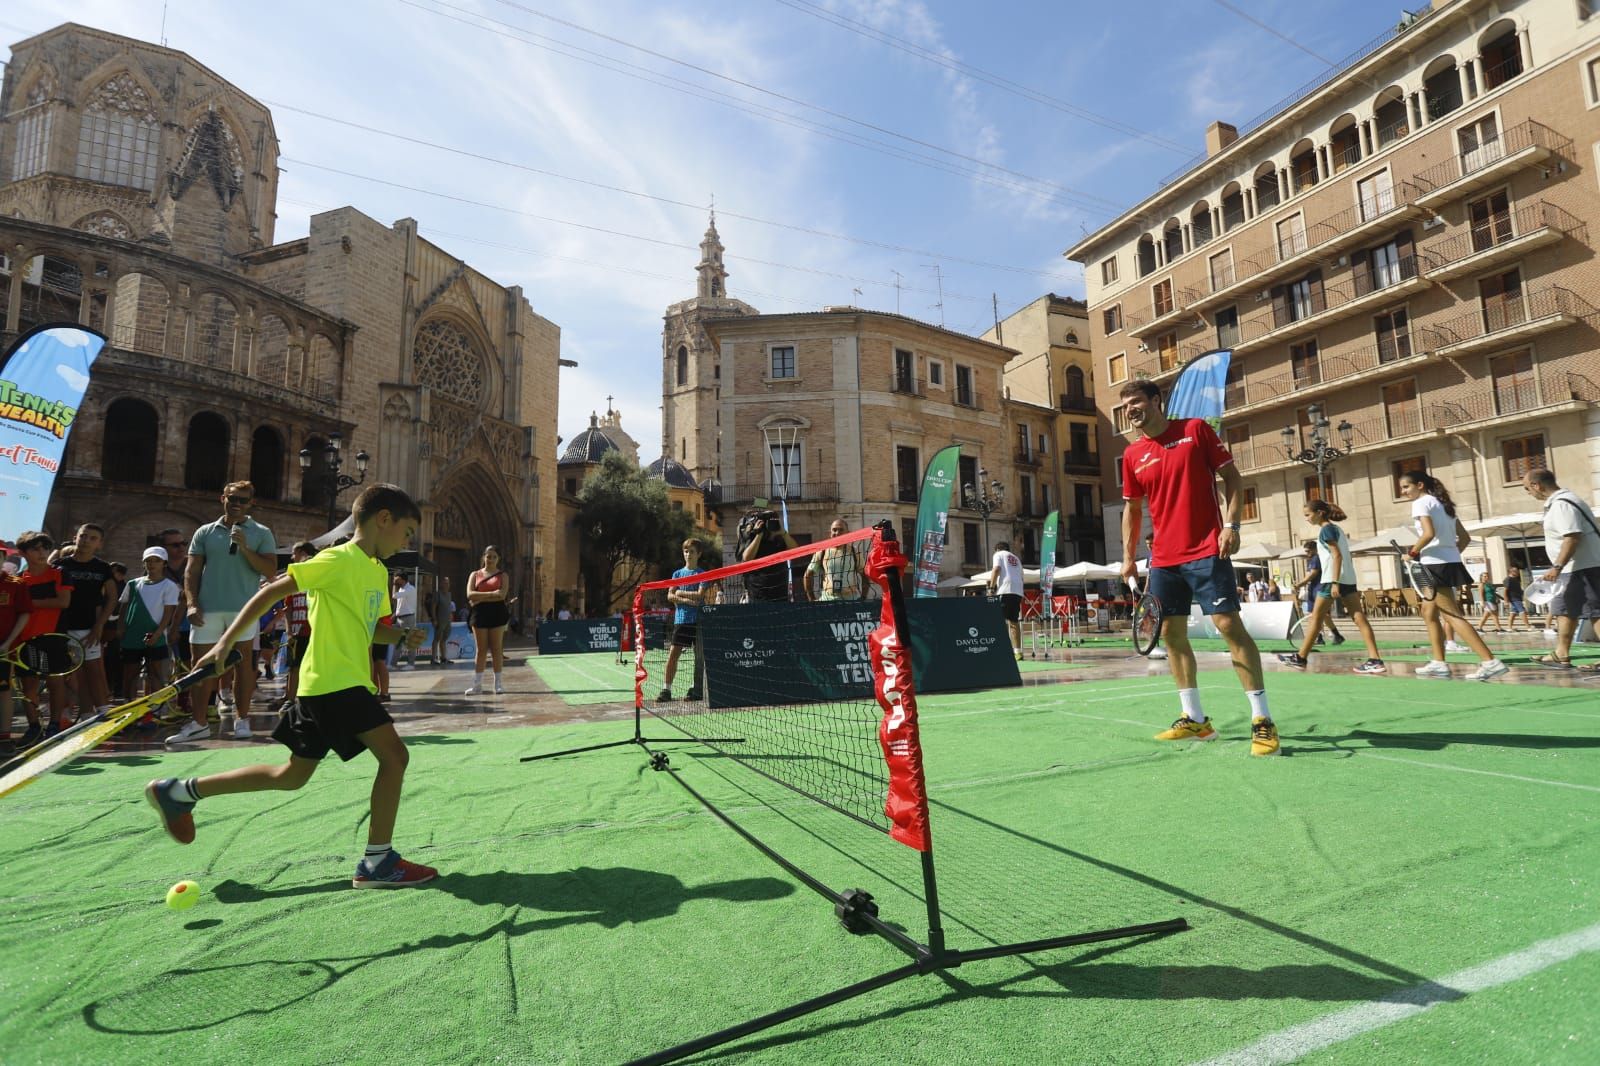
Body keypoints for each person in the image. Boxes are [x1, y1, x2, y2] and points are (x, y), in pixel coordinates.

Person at [144, 483, 436, 888]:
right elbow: (269, 593)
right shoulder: (336, 560)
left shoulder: (376, 571)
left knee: (291, 776)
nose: (407, 541)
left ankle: (180, 792)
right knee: (395, 757)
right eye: (406, 531)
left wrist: (401, 637)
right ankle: (377, 863)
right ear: (383, 519)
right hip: (336, 684)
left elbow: (372, 630)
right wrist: (226, 645)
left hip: (330, 686)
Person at [1116, 380, 1278, 756]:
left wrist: (1232, 525)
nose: (1131, 410)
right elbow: (1132, 509)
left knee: (1228, 626)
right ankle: (1195, 720)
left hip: (1207, 548)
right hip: (1164, 559)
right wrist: (1127, 557)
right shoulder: (1133, 454)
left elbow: (1234, 480)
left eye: (1136, 401)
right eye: (1125, 405)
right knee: (1172, 636)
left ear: (1156, 401)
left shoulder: (1194, 430)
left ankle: (1262, 720)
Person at [172, 483, 278, 746]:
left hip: (244, 610)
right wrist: (192, 603)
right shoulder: (204, 532)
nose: (237, 503)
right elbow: (191, 572)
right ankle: (199, 723)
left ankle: (242, 719)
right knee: (201, 667)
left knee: (243, 666)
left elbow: (269, 571)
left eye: (243, 500)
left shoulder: (262, 533)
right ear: (223, 499)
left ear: (251, 503)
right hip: (207, 609)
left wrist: (244, 548)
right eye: (232, 498)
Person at [1399, 471, 1506, 680]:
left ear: (1420, 485)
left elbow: (1428, 534)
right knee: (1429, 613)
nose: (1403, 492)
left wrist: (1411, 553)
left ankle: (1490, 661)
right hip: (1449, 562)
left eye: (1406, 487)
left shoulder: (1421, 503)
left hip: (1435, 564)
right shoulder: (1443, 504)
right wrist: (1449, 552)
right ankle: (1439, 662)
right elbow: (1464, 538)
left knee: (1451, 616)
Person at [1277, 501, 1386, 674]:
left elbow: (1336, 555)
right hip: (1348, 578)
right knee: (1358, 618)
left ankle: (1300, 658)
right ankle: (1375, 659)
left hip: (1332, 580)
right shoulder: (1337, 529)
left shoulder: (1326, 530)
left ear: (1319, 513)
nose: (1306, 518)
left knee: (1316, 618)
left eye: (1308, 514)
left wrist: (1334, 582)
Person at [1523, 468, 1600, 670]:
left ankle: (1561, 653)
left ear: (1536, 485)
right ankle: (1561, 653)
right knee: (1564, 609)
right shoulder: (1561, 502)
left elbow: (1572, 536)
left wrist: (1557, 566)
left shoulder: (1562, 504)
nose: (1529, 493)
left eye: (1527, 489)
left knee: (1595, 611)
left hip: (1583, 566)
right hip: (1575, 567)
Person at [56, 523, 118, 726]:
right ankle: (85, 715)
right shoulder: (60, 565)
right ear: (76, 537)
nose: (86, 541)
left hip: (89, 628)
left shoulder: (102, 568)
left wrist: (99, 625)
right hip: (63, 627)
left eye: (92, 538)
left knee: (94, 671)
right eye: (83, 536)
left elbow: (112, 598)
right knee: (75, 674)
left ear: (99, 544)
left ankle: (103, 712)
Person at [14, 531, 71, 741]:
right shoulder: (18, 580)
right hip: (24, 639)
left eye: (45, 548)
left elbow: (63, 602)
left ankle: (55, 724)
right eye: (35, 549)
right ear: (23, 553)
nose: (41, 553)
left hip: (53, 636)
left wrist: (28, 605)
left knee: (55, 682)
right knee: (28, 686)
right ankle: (33, 727)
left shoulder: (60, 573)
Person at [119, 546, 181, 705]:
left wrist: (158, 633)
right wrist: (121, 629)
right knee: (129, 675)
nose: (152, 564)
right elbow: (124, 607)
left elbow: (168, 613)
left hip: (156, 636)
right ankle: (128, 707)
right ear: (143, 563)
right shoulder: (133, 584)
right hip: (132, 636)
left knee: (155, 674)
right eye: (149, 561)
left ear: (164, 564)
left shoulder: (169, 586)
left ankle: (155, 709)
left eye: (157, 561)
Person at [658, 539, 718, 701]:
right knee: (673, 655)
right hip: (681, 620)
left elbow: (699, 595)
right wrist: (684, 600)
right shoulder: (677, 574)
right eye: (686, 551)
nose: (688, 554)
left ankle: (697, 690)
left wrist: (680, 594)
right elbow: (670, 595)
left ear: (699, 554)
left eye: (691, 551)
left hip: (698, 621)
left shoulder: (702, 574)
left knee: (699, 657)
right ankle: (666, 690)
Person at [465, 544, 510, 695]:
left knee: (497, 649)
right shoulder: (475, 574)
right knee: (481, 650)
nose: (490, 559)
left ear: (499, 559)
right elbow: (470, 595)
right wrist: (492, 594)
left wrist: (481, 597)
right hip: (479, 614)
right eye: (488, 556)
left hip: (497, 612)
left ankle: (498, 684)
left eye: (494, 557)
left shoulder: (503, 575)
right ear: (483, 557)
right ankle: (477, 685)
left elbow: (502, 595)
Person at [0, 567, 32, 750]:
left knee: (4, 690)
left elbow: (25, 613)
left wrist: (7, 643)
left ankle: (4, 738)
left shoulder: (16, 584)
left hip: (3, 649)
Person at [1291, 539, 1345, 646]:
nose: (1307, 553)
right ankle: (1335, 635)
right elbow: (1308, 575)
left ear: (1315, 549)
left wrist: (1299, 585)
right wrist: (1299, 584)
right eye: (1306, 551)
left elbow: (1313, 574)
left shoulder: (1316, 558)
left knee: (1316, 615)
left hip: (1319, 589)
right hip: (1313, 589)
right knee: (1322, 614)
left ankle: (1320, 637)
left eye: (1309, 551)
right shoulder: (1310, 560)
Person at [282, 542, 315, 711]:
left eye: (294, 554)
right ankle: (290, 699)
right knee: (294, 667)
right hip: (296, 632)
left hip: (313, 632)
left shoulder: (317, 578)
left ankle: (307, 701)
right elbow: (288, 608)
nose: (292, 558)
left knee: (311, 668)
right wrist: (288, 630)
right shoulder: (293, 582)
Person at [739, 509, 797, 603]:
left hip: (780, 593)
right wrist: (759, 534)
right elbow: (746, 557)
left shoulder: (780, 539)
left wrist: (783, 533)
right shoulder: (754, 536)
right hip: (758, 594)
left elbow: (795, 551)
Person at [804, 518, 867, 601]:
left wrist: (863, 598)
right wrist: (811, 599)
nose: (837, 533)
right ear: (830, 533)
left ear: (848, 533)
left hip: (851, 601)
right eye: (834, 530)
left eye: (841, 530)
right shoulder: (822, 552)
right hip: (827, 601)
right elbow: (807, 575)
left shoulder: (855, 552)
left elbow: (865, 576)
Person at [986, 540, 1025, 660]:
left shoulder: (998, 554)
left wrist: (991, 588)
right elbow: (1022, 576)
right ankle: (1018, 652)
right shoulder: (1016, 559)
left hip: (1005, 589)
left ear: (997, 549)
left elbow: (996, 569)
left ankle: (1000, 650)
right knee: (1013, 621)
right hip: (1017, 591)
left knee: (998, 621)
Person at [390, 572, 418, 670]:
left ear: (403, 579)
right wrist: (395, 614)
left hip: (408, 618)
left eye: (397, 579)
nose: (396, 581)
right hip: (400, 618)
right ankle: (393, 664)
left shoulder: (410, 589)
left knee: (410, 641)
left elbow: (394, 596)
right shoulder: (402, 589)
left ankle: (411, 664)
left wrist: (393, 584)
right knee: (398, 642)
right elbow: (401, 605)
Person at [429, 576, 454, 665]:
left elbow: (449, 606)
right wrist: (434, 619)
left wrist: (451, 615)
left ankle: (444, 658)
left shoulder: (449, 594)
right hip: (439, 620)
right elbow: (433, 607)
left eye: (448, 583)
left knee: (444, 639)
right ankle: (433, 658)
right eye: (445, 583)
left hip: (447, 621)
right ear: (441, 584)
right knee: (437, 639)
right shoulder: (437, 594)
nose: (447, 585)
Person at [1503, 565, 1529, 632]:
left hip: (1518, 598)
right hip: (1514, 598)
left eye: (1517, 571)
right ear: (1511, 572)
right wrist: (1506, 601)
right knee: (1522, 611)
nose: (1517, 572)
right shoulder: (1508, 579)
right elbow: (1505, 591)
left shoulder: (1516, 579)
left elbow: (1518, 589)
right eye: (1515, 571)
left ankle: (1509, 627)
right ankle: (1528, 627)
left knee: (1513, 613)